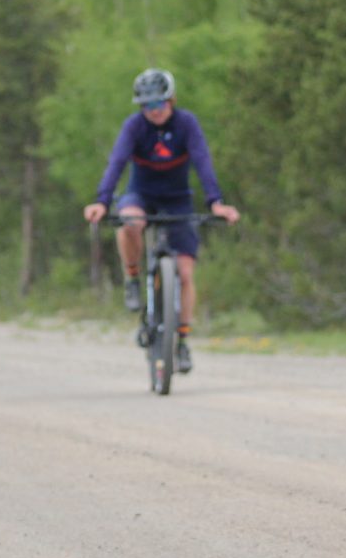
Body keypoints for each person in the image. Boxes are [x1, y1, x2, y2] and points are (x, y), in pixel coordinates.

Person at [82, 68, 241, 375]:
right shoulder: (134, 127)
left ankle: (181, 341)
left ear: (172, 100)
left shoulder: (186, 124)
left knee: (184, 271)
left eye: (159, 104)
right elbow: (116, 162)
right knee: (129, 220)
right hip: (140, 195)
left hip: (177, 199)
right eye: (146, 105)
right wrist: (102, 202)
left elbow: (202, 160)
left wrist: (216, 203)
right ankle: (132, 278)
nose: (153, 111)